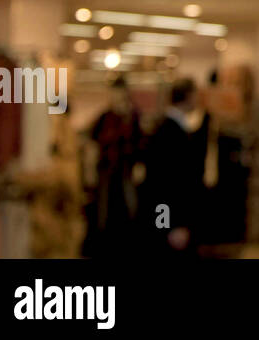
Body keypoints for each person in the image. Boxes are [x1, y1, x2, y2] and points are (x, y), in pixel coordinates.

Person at [140, 78, 210, 257]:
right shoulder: (170, 132)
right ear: (188, 96)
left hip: (171, 221)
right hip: (172, 224)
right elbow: (164, 183)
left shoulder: (172, 129)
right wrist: (171, 226)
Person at [82, 78, 143, 257]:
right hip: (107, 171)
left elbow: (139, 143)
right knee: (104, 214)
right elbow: (93, 143)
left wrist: (138, 165)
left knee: (128, 210)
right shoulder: (105, 117)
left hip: (125, 171)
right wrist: (91, 170)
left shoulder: (132, 117)